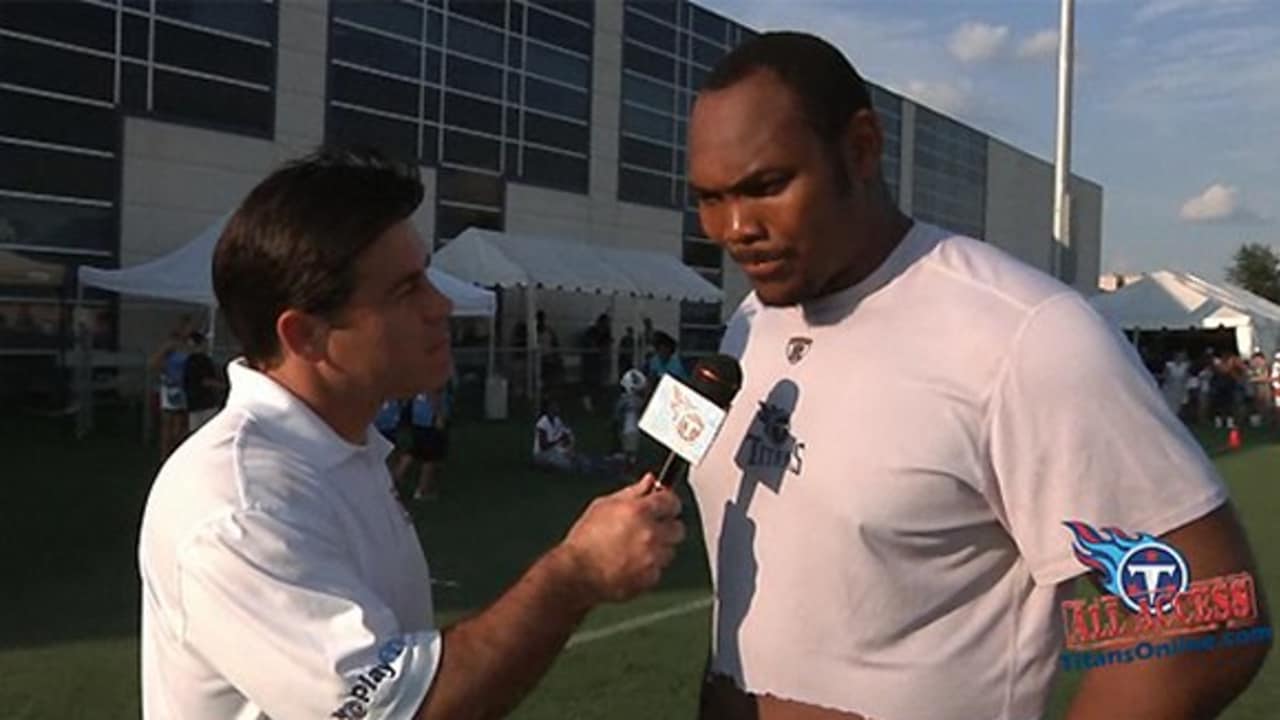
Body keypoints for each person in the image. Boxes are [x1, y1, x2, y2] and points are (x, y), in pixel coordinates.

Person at [685, 32, 1268, 720]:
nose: (734, 227)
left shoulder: (1023, 334)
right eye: (710, 198)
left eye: (766, 186)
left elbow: (1203, 614)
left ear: (861, 149)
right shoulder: (752, 319)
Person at [137, 147, 685, 720]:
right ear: (306, 335)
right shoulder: (239, 504)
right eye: (405, 290)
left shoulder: (337, 452)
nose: (442, 305)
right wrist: (573, 574)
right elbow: (406, 711)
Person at [150, 322, 191, 459]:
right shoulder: (170, 347)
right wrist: (165, 372)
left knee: (179, 424)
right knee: (168, 422)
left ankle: (175, 453)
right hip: (170, 387)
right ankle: (164, 454)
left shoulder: (188, 347)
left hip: (183, 387)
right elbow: (153, 363)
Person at [183, 331, 226, 434]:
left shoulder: (189, 361)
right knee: (208, 431)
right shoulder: (202, 361)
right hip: (205, 402)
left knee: (195, 432)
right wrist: (223, 387)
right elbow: (206, 381)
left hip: (193, 402)